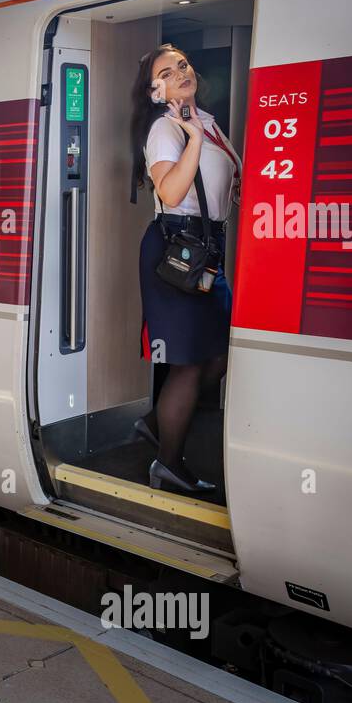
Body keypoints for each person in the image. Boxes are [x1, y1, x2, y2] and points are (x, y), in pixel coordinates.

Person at [129, 44, 241, 495]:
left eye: (182, 65)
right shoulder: (165, 128)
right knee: (191, 365)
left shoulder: (207, 121)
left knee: (218, 355)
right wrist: (191, 138)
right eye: (167, 72)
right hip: (177, 249)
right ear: (155, 91)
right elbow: (173, 193)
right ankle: (168, 464)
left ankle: (155, 422)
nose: (180, 73)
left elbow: (222, 184)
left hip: (207, 246)